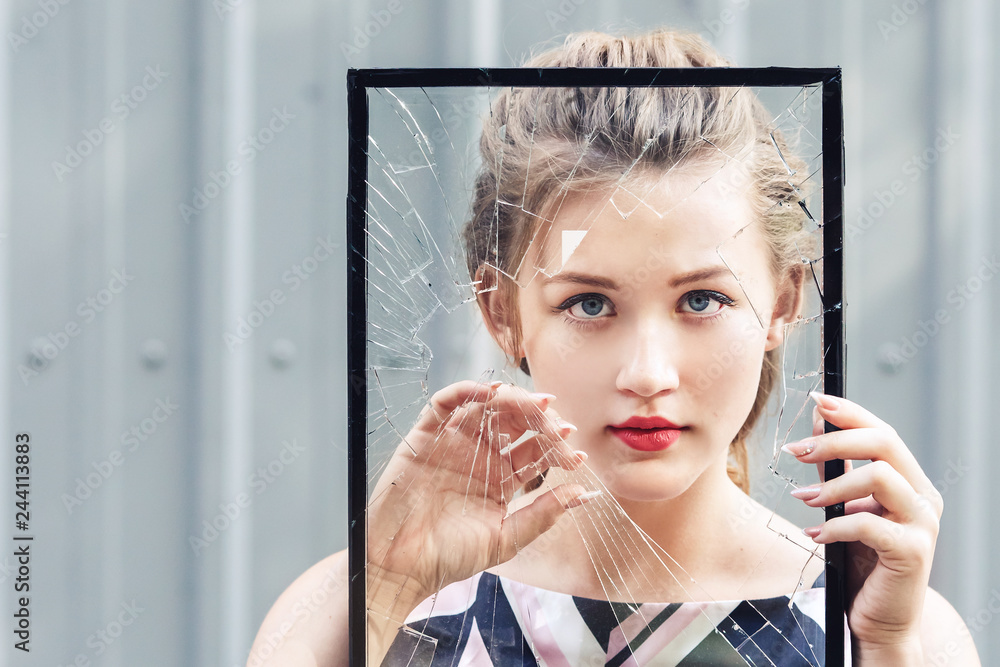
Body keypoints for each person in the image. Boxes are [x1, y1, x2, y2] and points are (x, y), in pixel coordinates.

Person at [249, 29, 980, 666]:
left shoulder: (885, 629)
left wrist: (885, 649)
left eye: (703, 299)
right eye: (589, 303)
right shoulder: (352, 614)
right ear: (501, 312)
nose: (647, 373)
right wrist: (380, 594)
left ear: (784, 301)